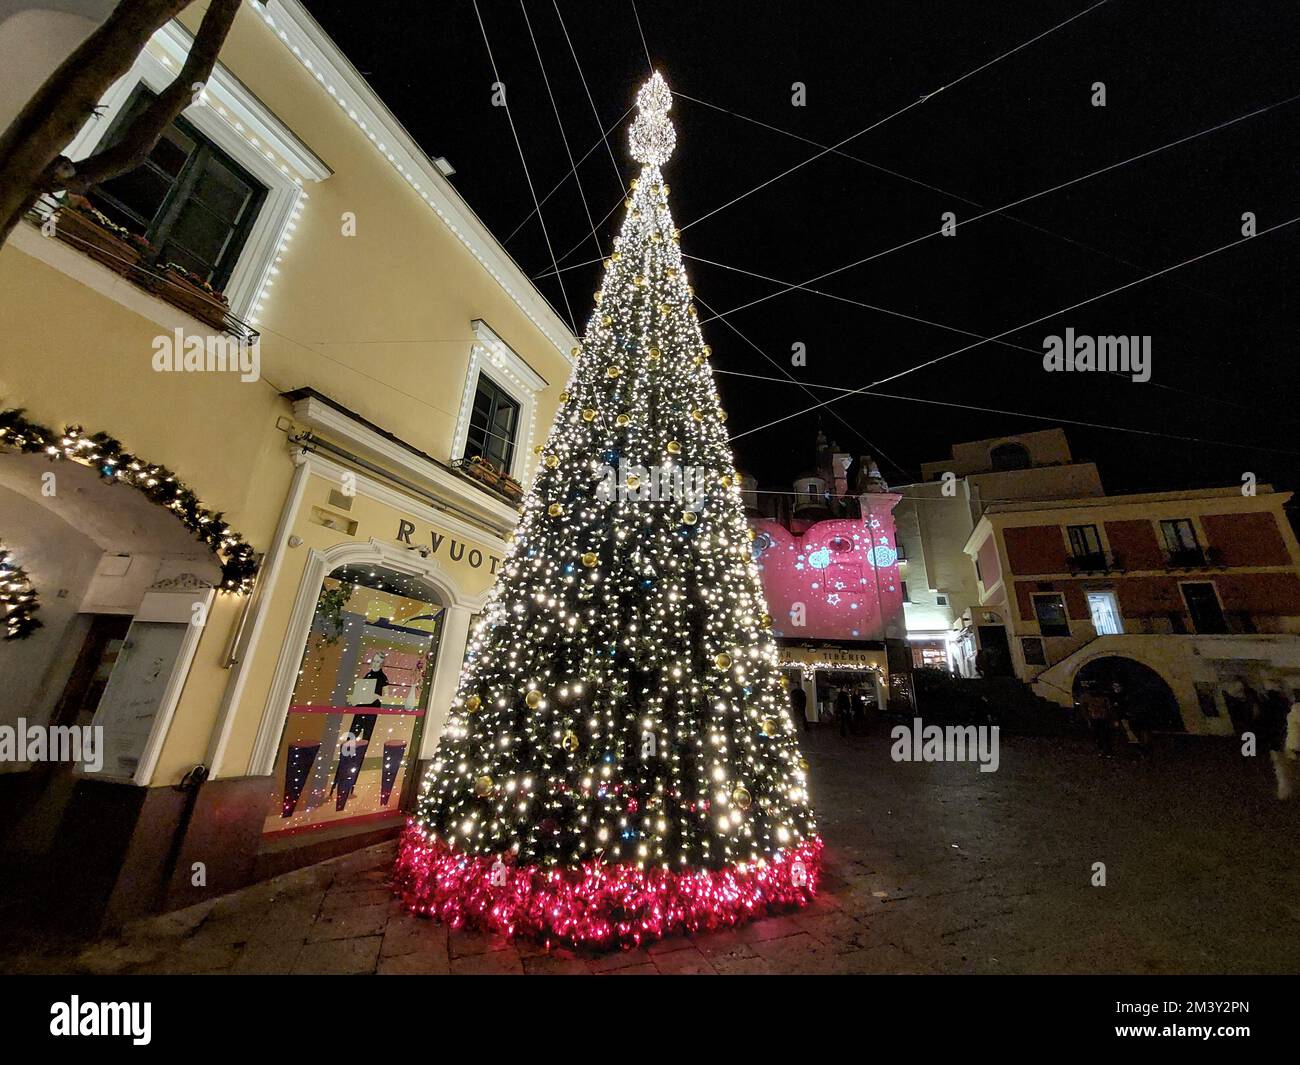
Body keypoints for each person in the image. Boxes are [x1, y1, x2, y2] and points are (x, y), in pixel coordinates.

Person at [1259, 688, 1293, 800]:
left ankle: (1284, 791)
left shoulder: (1266, 709)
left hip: (1275, 742)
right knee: (1286, 765)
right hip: (1284, 739)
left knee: (1279, 767)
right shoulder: (1284, 708)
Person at [1079, 683, 1114, 756]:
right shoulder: (1087, 697)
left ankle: (1105, 750)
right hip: (1096, 718)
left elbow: (1108, 708)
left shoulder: (1103, 698)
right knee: (1099, 734)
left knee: (1104, 734)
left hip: (1101, 718)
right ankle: (1103, 749)